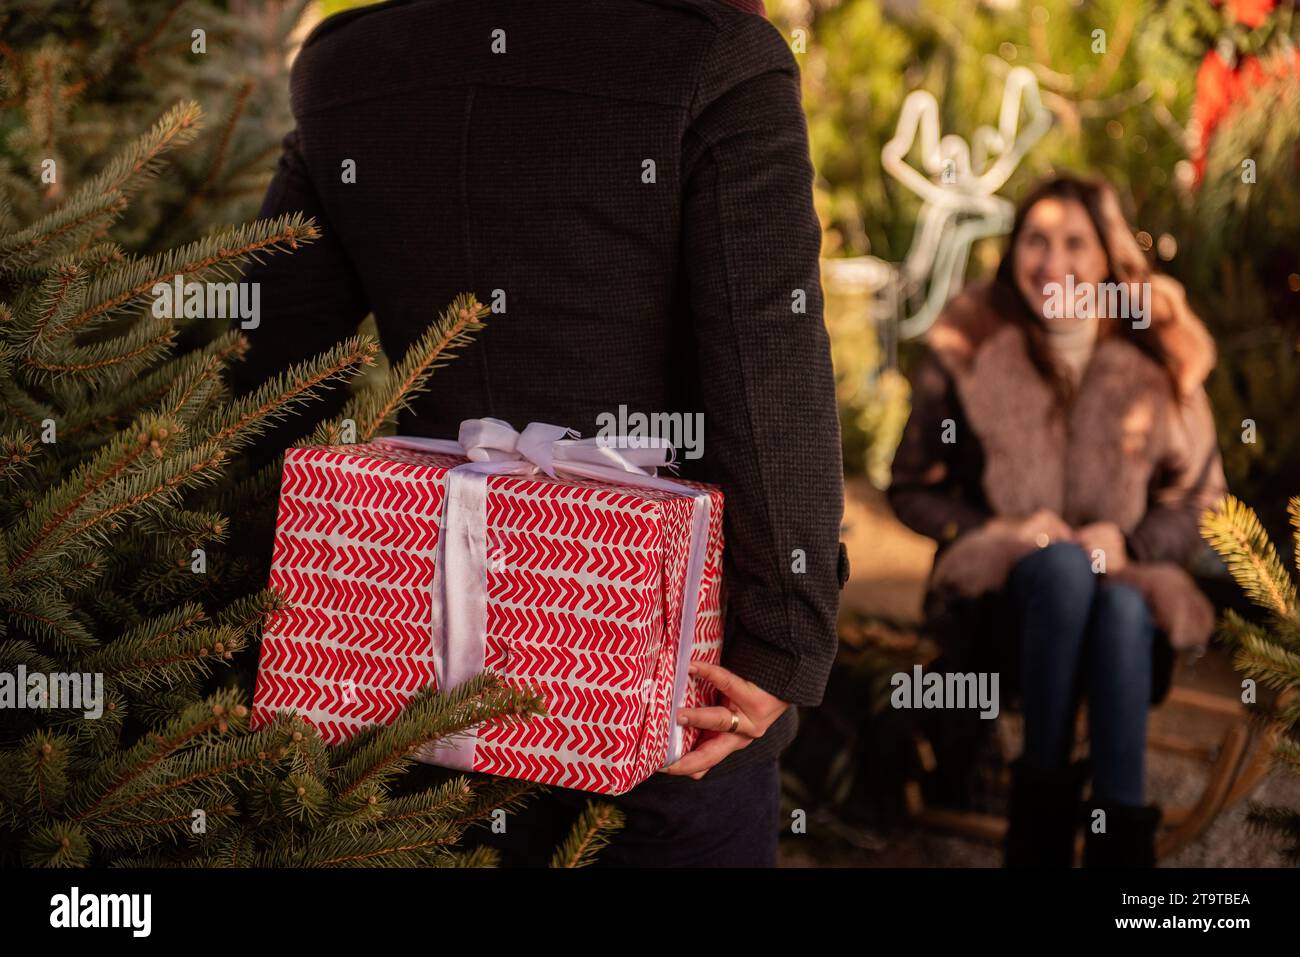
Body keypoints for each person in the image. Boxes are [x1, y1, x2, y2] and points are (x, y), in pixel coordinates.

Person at [229, 0, 847, 866]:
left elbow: (269, 374)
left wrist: (252, 610)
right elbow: (768, 365)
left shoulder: (354, 62)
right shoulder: (714, 58)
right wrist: (786, 638)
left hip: (414, 658)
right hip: (668, 674)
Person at [888, 174, 1227, 868]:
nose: (1052, 262)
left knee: (1124, 608)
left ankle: (1104, 838)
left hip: (1125, 615)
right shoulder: (972, 342)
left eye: (1076, 242)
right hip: (1003, 617)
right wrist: (1004, 533)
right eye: (1036, 240)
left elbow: (1201, 500)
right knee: (1066, 569)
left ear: (1108, 257)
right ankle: (1053, 817)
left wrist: (1126, 541)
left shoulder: (1157, 354)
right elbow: (908, 488)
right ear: (1013, 249)